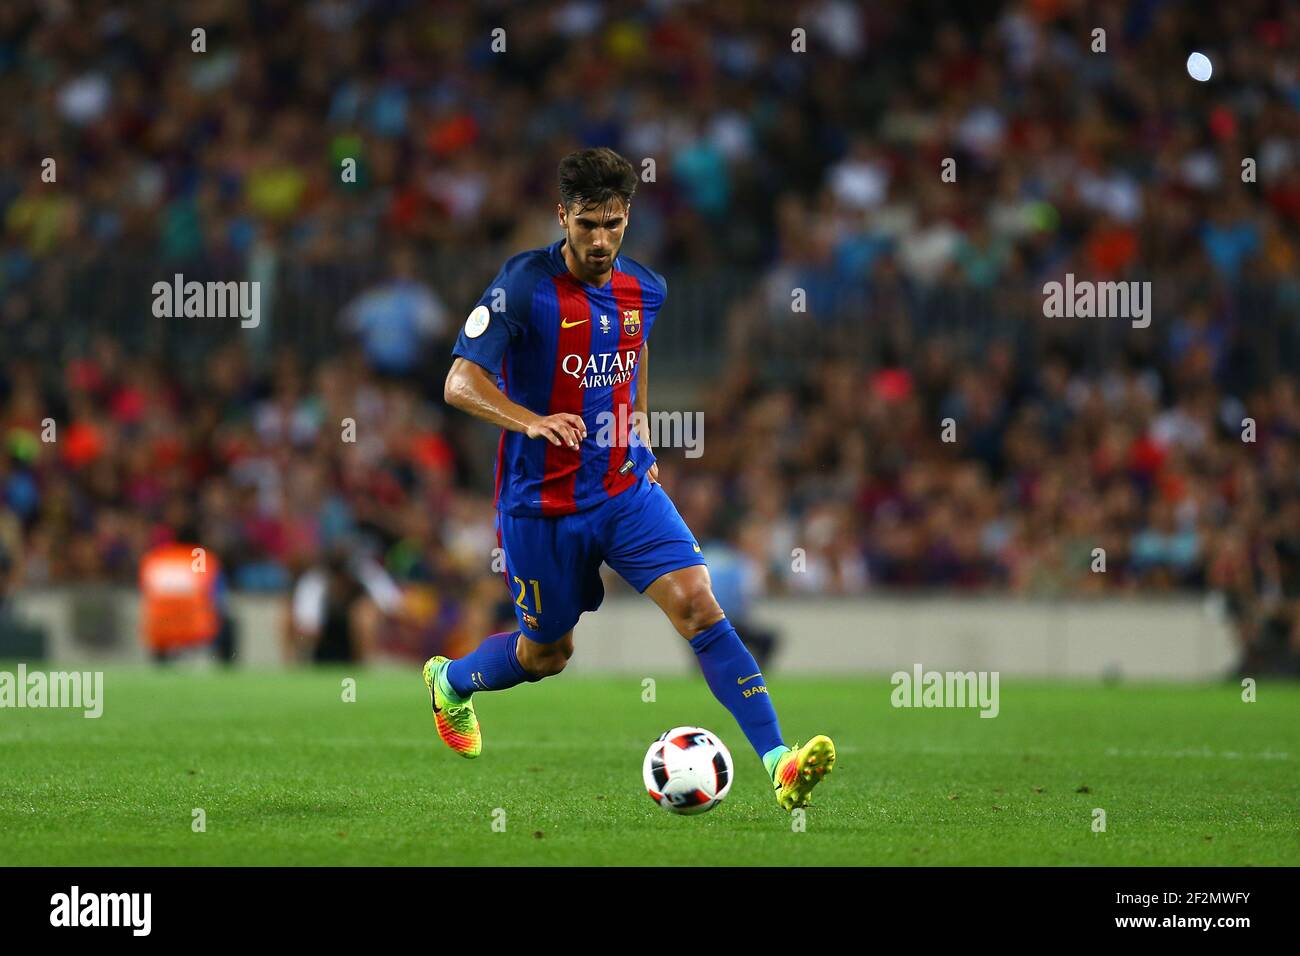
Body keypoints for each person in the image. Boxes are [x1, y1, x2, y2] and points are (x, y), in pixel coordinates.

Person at [432, 147, 834, 811]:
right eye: (586, 223)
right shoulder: (521, 285)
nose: (599, 239)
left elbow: (633, 345)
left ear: (628, 218)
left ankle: (780, 764)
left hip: (623, 490)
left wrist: (637, 427)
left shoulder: (644, 288)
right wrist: (530, 420)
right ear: (561, 216)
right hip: (542, 508)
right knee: (547, 655)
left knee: (699, 607)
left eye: (612, 223)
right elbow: (458, 381)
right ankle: (452, 682)